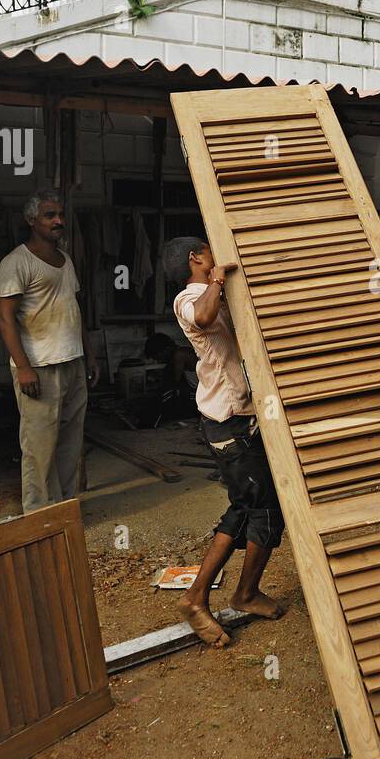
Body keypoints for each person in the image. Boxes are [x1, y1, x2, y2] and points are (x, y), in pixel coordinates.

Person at [164, 236, 285, 647]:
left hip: (244, 418)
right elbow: (201, 317)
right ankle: (216, 595)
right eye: (208, 250)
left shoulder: (221, 291)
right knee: (265, 510)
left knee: (246, 508)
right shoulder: (189, 297)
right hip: (227, 423)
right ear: (195, 258)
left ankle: (214, 594)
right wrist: (216, 282)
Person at [0, 190, 99, 513]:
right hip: (38, 367)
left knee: (70, 443)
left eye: (60, 214)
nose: (58, 221)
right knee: (39, 448)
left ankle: (65, 510)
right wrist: (22, 367)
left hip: (72, 362)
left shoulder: (65, 260)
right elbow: (5, 318)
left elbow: (74, 309)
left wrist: (90, 355)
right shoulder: (16, 262)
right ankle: (39, 514)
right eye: (49, 215)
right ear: (31, 220)